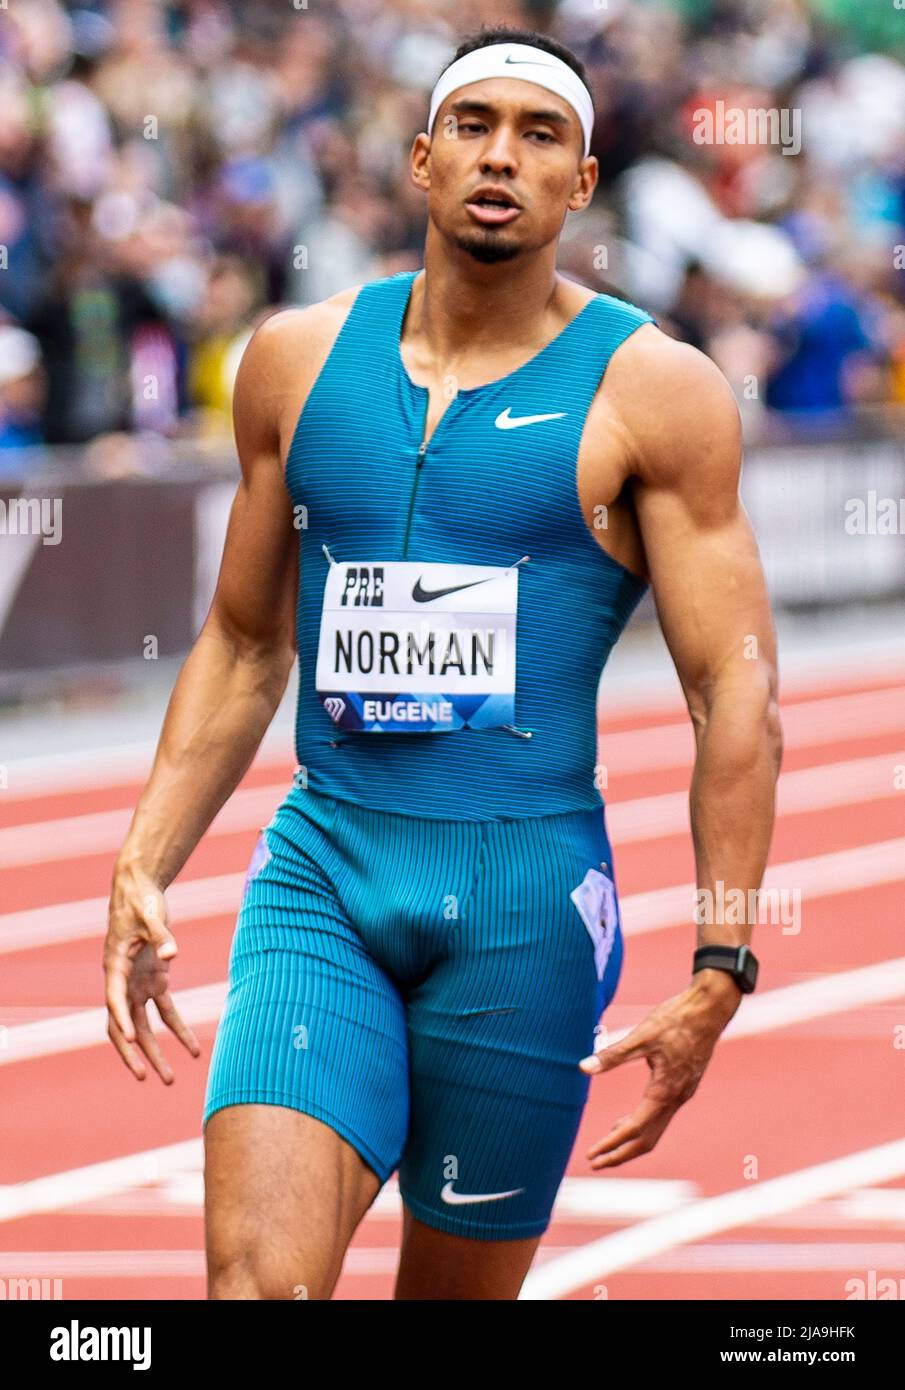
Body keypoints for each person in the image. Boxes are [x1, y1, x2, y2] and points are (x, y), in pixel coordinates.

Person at [104, 25, 782, 1302]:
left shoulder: (656, 395)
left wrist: (720, 958)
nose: (500, 156)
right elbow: (248, 640)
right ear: (419, 160)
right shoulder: (296, 361)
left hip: (520, 907)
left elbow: (729, 686)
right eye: (473, 126)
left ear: (580, 185)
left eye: (540, 137)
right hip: (326, 871)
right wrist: (146, 855)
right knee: (256, 1286)